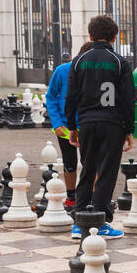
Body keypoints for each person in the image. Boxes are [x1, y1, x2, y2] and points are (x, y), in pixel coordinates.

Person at [65, 14, 135, 237]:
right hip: (112, 123)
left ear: (90, 35)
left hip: (86, 122)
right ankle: (100, 220)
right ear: (114, 37)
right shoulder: (119, 62)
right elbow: (127, 99)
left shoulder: (78, 61)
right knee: (106, 172)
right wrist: (129, 130)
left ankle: (79, 221)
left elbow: (71, 97)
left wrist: (72, 127)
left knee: (87, 169)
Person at [46, 40, 92, 209]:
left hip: (88, 125)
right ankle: (71, 196)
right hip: (65, 127)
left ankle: (90, 196)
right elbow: (51, 97)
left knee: (91, 162)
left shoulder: (93, 73)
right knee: (69, 162)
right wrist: (57, 123)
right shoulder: (62, 71)